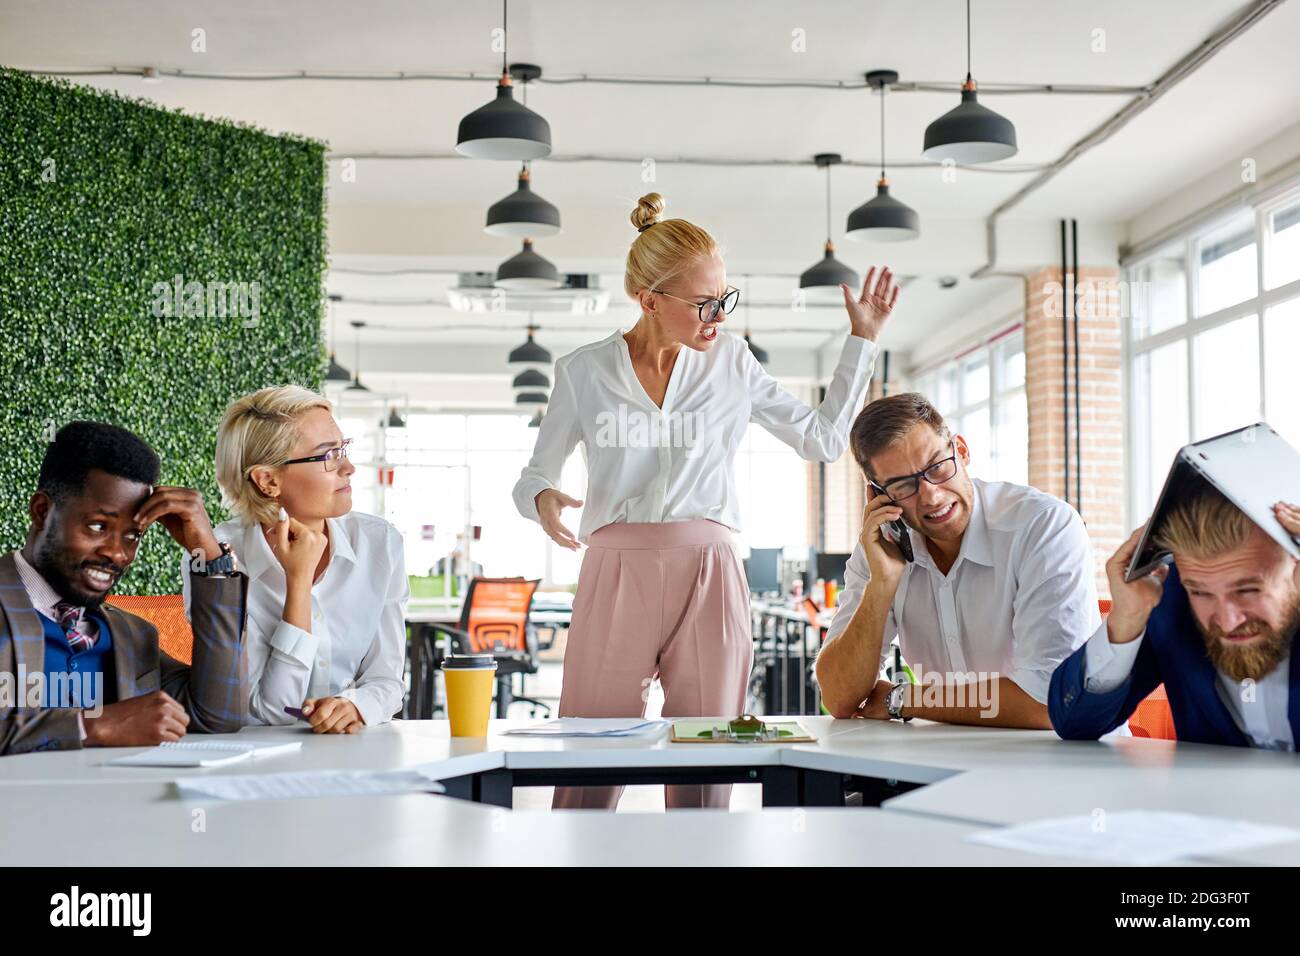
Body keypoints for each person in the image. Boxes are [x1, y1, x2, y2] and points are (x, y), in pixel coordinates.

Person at [513, 191, 898, 809]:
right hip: (615, 570)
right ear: (650, 301)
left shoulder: (733, 362)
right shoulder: (582, 372)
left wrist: (861, 342)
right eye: (703, 303)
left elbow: (824, 440)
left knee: (707, 759)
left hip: (710, 572)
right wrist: (544, 499)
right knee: (590, 755)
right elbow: (533, 473)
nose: (718, 314)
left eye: (725, 297)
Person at [815, 393, 1100, 728]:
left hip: (1059, 764)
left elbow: (1051, 701)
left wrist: (904, 699)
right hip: (949, 756)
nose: (932, 496)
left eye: (937, 467)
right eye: (904, 485)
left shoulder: (1043, 526)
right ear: (878, 496)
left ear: (961, 451)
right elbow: (838, 696)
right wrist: (881, 586)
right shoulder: (882, 546)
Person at [1, 421, 247, 754]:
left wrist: (211, 557)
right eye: (97, 526)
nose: (117, 553)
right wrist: (93, 726)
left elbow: (218, 714)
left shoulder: (133, 635)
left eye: (132, 536)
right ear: (42, 511)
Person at [195, 385, 408, 733]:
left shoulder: (379, 544)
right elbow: (270, 712)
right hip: (251, 762)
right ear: (268, 480)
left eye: (344, 449)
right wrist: (299, 582)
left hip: (348, 752)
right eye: (329, 455)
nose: (349, 467)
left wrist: (355, 706)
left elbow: (387, 681)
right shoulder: (219, 558)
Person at [1050, 481, 1300, 749]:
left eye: (1248, 590)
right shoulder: (1170, 599)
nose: (1228, 621)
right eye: (1201, 593)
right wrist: (1126, 617)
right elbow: (1075, 723)